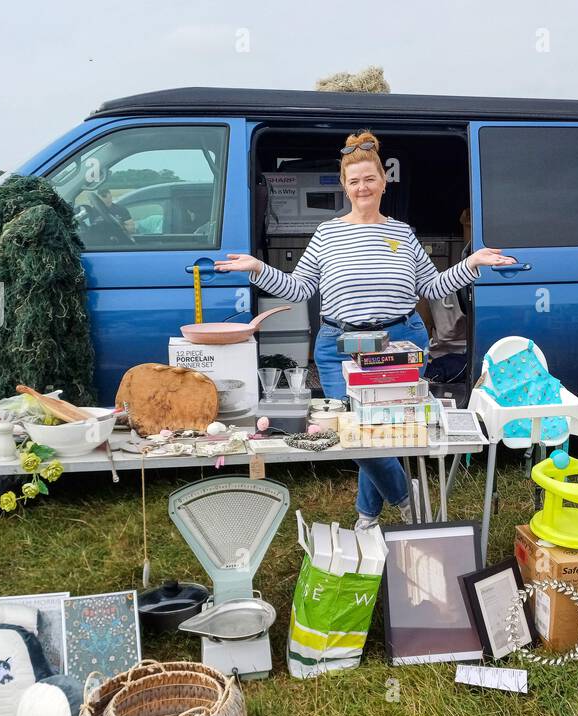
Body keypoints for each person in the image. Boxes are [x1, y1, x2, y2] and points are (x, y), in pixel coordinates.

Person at [216, 130, 515, 529]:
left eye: (369, 179)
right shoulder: (327, 234)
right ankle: (405, 497)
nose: (362, 187)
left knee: (382, 433)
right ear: (344, 185)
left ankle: (367, 517)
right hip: (339, 347)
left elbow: (431, 287)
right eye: (354, 180)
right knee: (355, 432)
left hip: (401, 343)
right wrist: (258, 269)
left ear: (383, 181)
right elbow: (300, 288)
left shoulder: (402, 233)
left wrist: (472, 264)